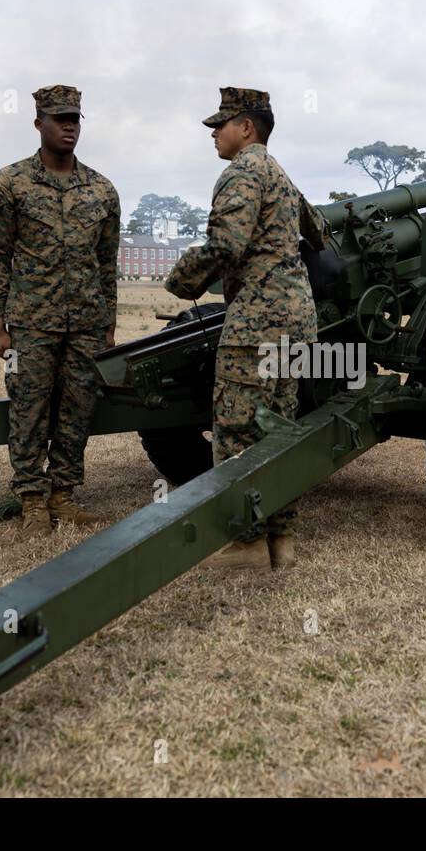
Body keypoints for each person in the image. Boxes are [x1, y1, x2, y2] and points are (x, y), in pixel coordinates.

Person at [165, 87, 318, 570]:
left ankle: (245, 543)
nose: (214, 133)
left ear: (246, 127)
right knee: (280, 428)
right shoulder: (280, 175)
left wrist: (181, 280)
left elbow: (226, 245)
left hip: (256, 321)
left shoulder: (242, 172)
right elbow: (318, 231)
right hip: (295, 320)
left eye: (221, 124)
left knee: (235, 429)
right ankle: (281, 539)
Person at [0, 85, 121, 540]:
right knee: (28, 408)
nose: (68, 127)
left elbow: (107, 263)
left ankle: (64, 496)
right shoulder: (8, 185)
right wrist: (0, 326)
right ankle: (32, 501)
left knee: (78, 409)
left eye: (75, 119)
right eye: (59, 118)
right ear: (38, 122)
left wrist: (108, 326)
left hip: (85, 322)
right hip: (30, 323)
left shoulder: (101, 190)